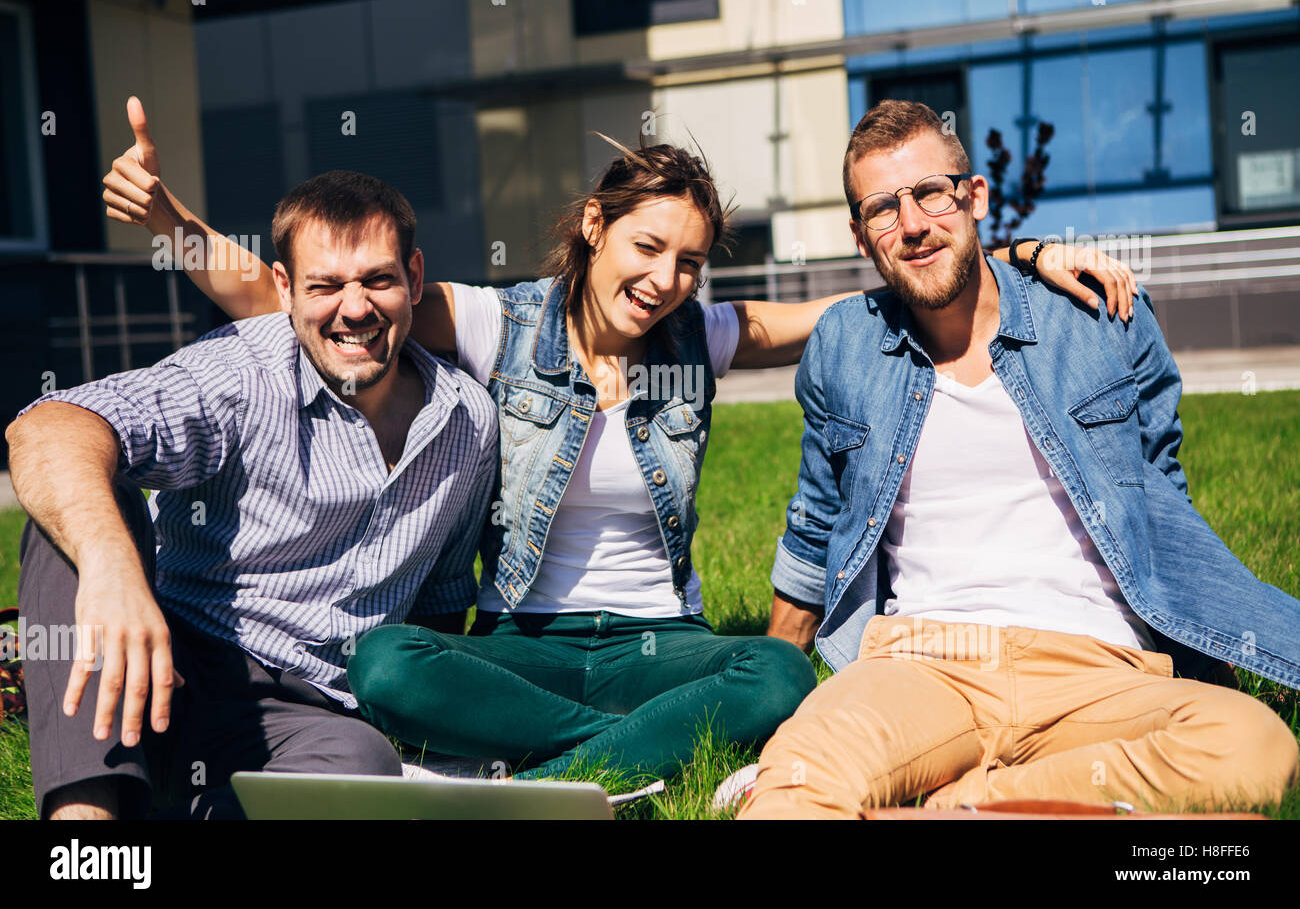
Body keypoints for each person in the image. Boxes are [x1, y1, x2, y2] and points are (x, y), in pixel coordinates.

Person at [101, 98, 1134, 782]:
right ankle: (619, 765)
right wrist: (171, 219)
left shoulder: (699, 336)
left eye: (688, 261)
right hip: (521, 643)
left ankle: (543, 785)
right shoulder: (498, 322)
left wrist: (1011, 251)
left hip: (661, 645)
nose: (665, 279)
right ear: (596, 225)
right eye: (648, 246)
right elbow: (310, 297)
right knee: (382, 665)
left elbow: (854, 308)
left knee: (777, 678)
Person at [739, 100, 1300, 818]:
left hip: (1096, 664)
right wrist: (776, 712)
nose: (911, 224)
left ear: (973, 197)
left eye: (930, 193)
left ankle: (963, 805)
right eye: (883, 208)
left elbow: (1164, 505)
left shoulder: (1100, 318)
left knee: (1253, 747)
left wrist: (1208, 654)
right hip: (918, 664)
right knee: (795, 783)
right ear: (859, 235)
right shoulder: (844, 344)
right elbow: (815, 526)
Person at [8, 168, 497, 818]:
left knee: (364, 766)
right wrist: (114, 569)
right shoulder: (239, 372)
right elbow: (49, 424)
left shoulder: (467, 420)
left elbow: (439, 601)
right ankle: (86, 834)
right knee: (81, 512)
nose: (354, 309)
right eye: (325, 286)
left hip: (308, 720)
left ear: (413, 277)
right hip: (164, 668)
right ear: (287, 289)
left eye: (377, 280)